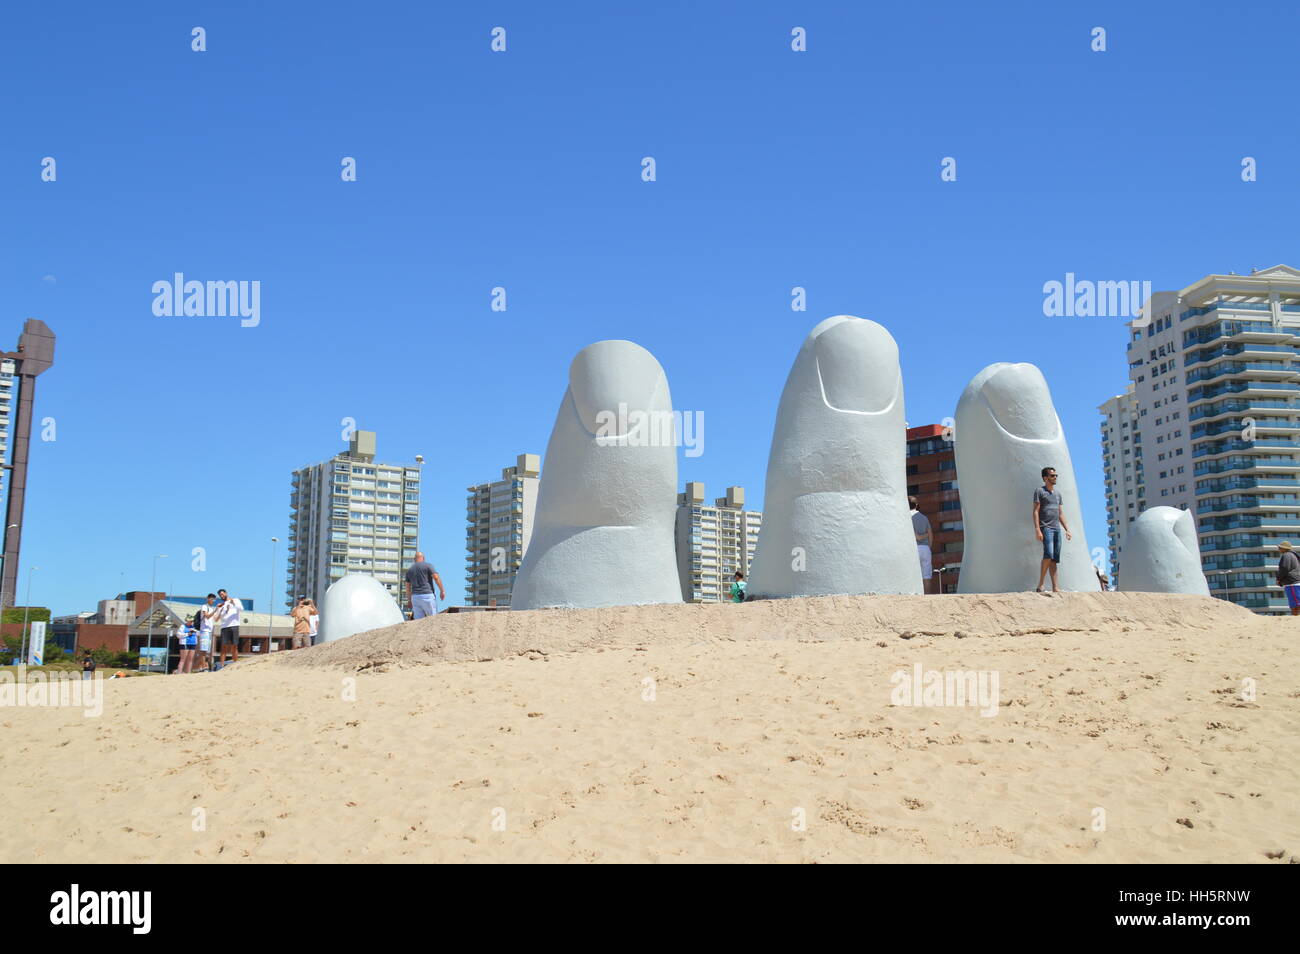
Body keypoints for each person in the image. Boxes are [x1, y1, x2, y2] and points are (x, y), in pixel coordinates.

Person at [1033, 466, 1073, 593]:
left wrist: (1067, 529)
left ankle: (1056, 587)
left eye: (1056, 475)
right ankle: (1040, 584)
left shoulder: (1057, 494)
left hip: (1057, 529)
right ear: (1045, 478)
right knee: (1048, 554)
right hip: (1046, 527)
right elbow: (1035, 511)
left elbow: (1060, 513)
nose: (1055, 477)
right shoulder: (1039, 491)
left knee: (1054, 559)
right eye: (1052, 475)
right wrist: (1037, 529)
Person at [405, 552, 446, 619]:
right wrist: (442, 590)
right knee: (433, 618)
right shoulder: (428, 566)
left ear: (414, 559)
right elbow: (436, 577)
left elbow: (407, 587)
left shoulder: (410, 570)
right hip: (427, 595)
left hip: (415, 597)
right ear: (423, 558)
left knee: (418, 621)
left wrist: (409, 600)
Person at [909, 496, 933, 594]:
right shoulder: (924, 517)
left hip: (913, 549)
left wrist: (920, 537)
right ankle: (926, 598)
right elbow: (931, 534)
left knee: (912, 575)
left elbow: (917, 537)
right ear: (917, 505)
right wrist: (928, 547)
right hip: (925, 549)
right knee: (926, 576)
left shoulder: (906, 517)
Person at [215, 588, 243, 668]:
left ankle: (235, 664)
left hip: (234, 625)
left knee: (234, 646)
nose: (222, 596)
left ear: (226, 593)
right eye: (220, 595)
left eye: (223, 594)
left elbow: (241, 609)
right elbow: (216, 619)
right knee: (223, 647)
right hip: (224, 627)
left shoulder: (235, 600)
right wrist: (218, 609)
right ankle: (222, 666)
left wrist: (233, 602)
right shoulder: (221, 605)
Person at [195, 594, 218, 672]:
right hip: (204, 630)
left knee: (207, 651)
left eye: (214, 599)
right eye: (211, 599)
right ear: (208, 598)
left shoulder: (211, 608)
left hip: (209, 631)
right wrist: (215, 610)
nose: (212, 600)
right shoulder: (204, 606)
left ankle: (202, 666)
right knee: (203, 650)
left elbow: (215, 619)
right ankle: (203, 666)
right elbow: (207, 616)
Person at [1276, 541, 1300, 616]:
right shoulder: (1293, 555)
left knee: (1295, 605)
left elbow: (1284, 568)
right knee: (1296, 603)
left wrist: (1279, 579)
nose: (1278, 549)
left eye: (1279, 547)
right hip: (1296, 582)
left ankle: (1295, 621)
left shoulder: (1287, 555)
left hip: (1292, 583)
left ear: (1284, 548)